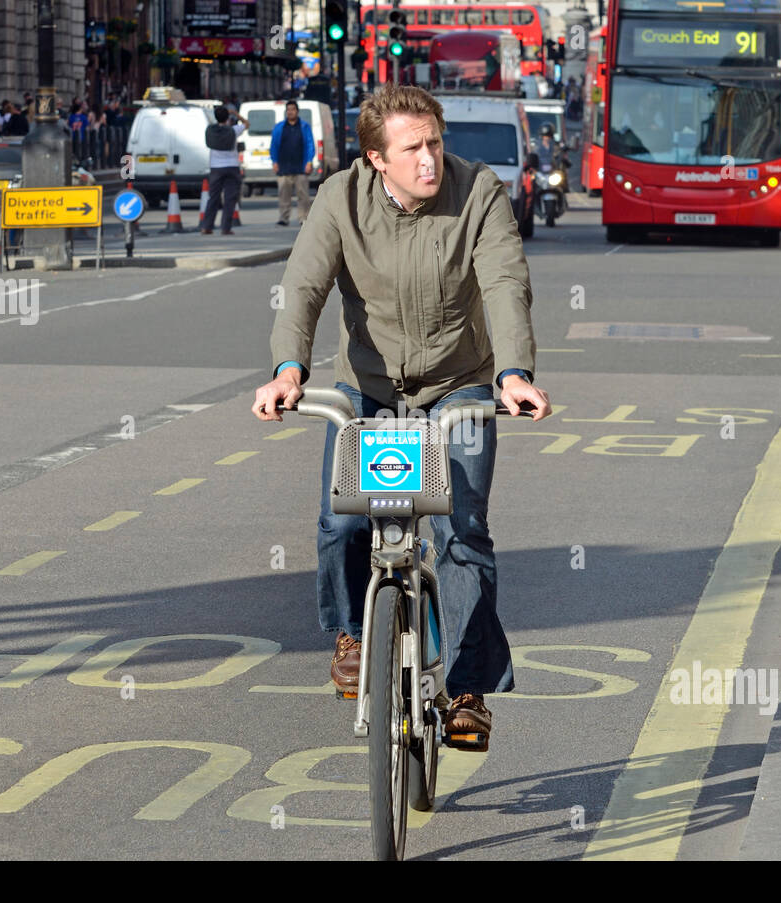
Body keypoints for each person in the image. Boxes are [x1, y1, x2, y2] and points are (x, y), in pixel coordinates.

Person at [251, 83, 553, 750]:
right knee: (339, 522)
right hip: (368, 385)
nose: (430, 160)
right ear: (375, 160)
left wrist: (513, 375)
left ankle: (469, 690)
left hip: (460, 383)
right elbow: (304, 285)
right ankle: (354, 634)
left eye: (436, 143)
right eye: (413, 148)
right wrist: (287, 369)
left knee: (464, 530)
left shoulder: (479, 192)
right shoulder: (340, 198)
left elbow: (504, 281)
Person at [201, 104, 246, 235]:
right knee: (230, 198)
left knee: (213, 198)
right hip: (232, 167)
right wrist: (236, 114)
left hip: (215, 168)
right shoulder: (234, 130)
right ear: (228, 117)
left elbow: (213, 123)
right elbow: (247, 124)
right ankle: (225, 228)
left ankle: (206, 227)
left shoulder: (210, 130)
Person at [271, 100, 315, 226]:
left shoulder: (304, 126)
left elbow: (310, 144)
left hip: (300, 166)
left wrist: (309, 162)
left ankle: (303, 218)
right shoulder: (279, 127)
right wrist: (274, 161)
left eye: (293, 109)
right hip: (284, 167)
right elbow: (274, 145)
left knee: (303, 195)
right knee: (284, 194)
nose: (290, 112)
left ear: (297, 111)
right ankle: (284, 218)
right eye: (288, 110)